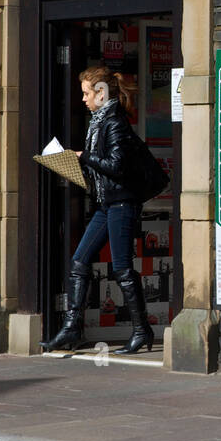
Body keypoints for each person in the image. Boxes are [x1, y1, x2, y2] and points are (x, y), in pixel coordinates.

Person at [42, 65, 154, 355]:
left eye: (86, 93)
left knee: (122, 269)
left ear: (101, 93)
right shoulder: (99, 121)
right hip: (107, 204)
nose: (83, 99)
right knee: (79, 261)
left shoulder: (115, 122)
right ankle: (71, 328)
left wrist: (84, 156)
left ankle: (142, 331)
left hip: (122, 204)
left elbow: (116, 165)